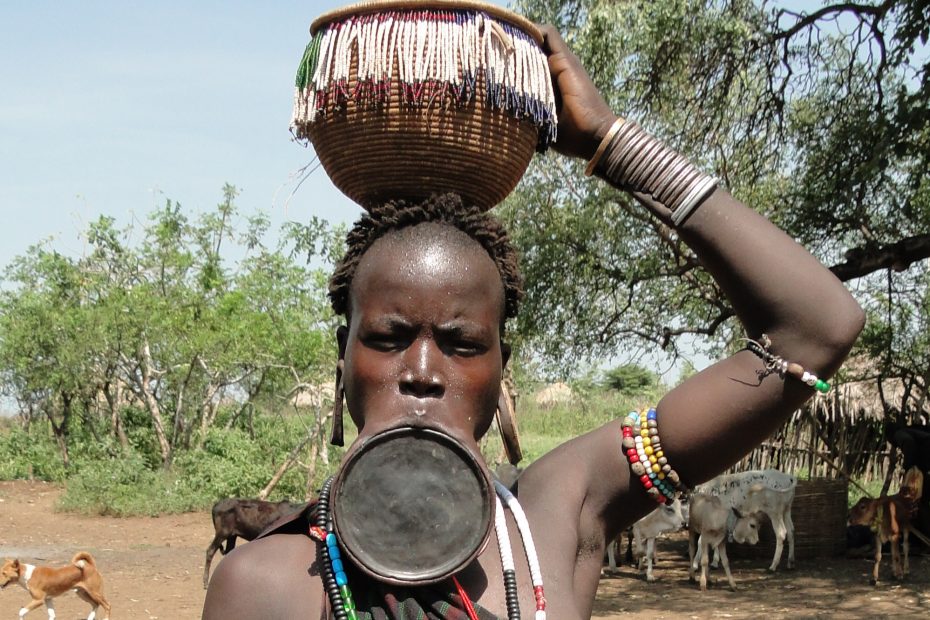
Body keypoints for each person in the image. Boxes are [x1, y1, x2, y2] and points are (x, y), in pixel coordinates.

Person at [202, 25, 864, 620]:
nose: (424, 373)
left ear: (502, 371)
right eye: (388, 338)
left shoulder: (555, 514)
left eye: (462, 345)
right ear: (341, 360)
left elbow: (817, 330)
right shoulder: (268, 585)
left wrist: (612, 143)